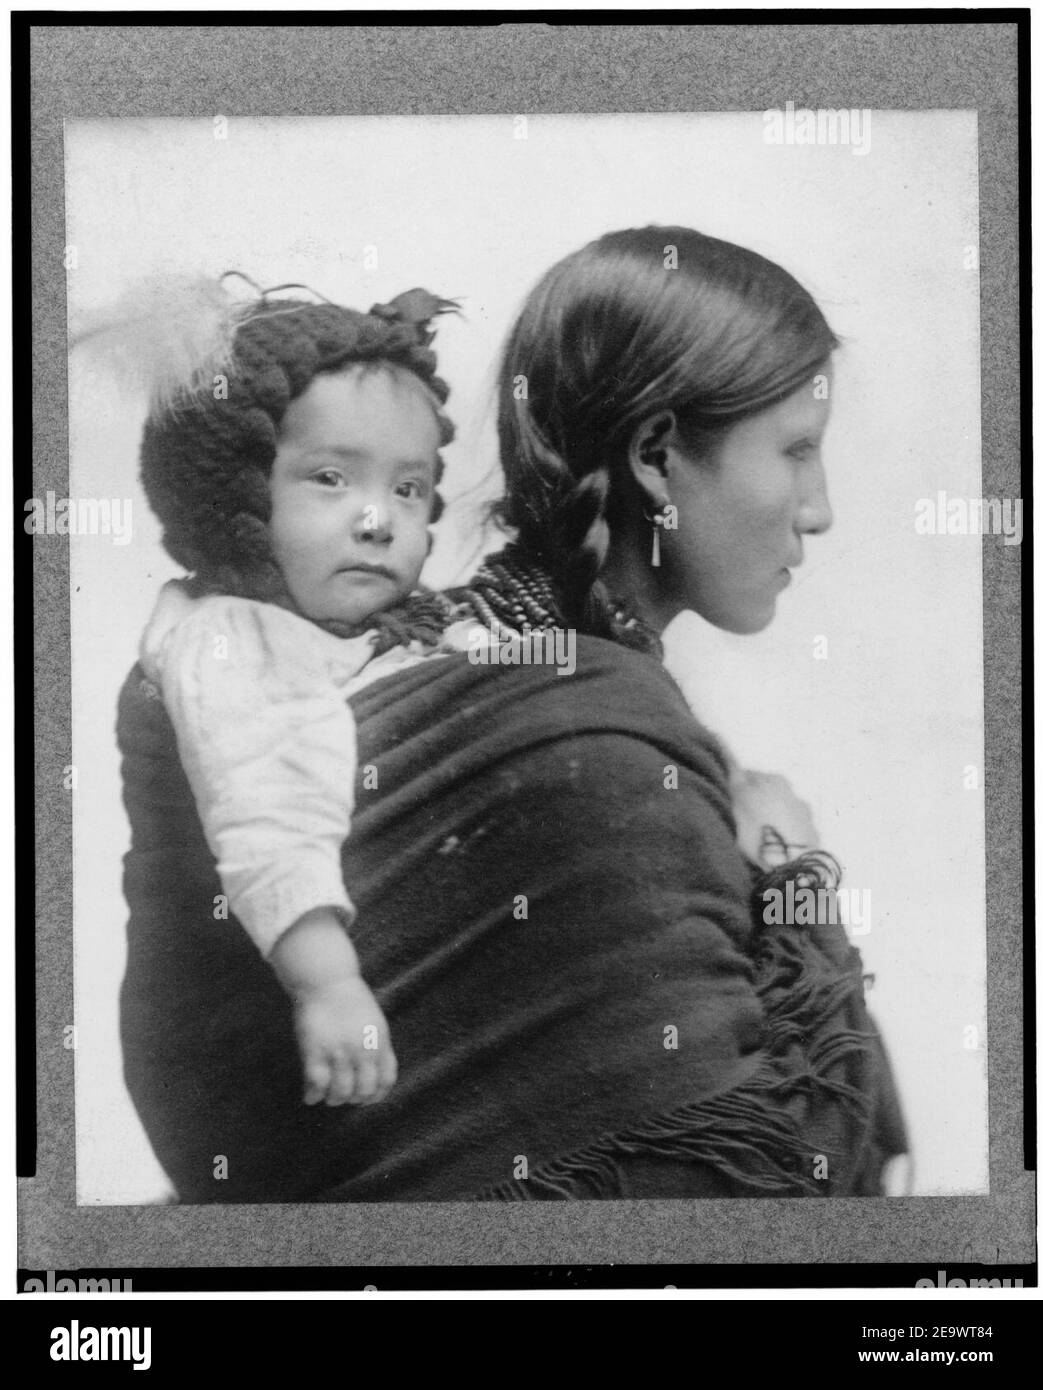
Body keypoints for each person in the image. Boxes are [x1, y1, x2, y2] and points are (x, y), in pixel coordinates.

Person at [115, 230, 907, 1203]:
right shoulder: (585, 741)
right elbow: (769, 1200)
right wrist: (791, 872)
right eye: (795, 451)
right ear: (656, 455)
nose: (817, 509)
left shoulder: (498, 675)